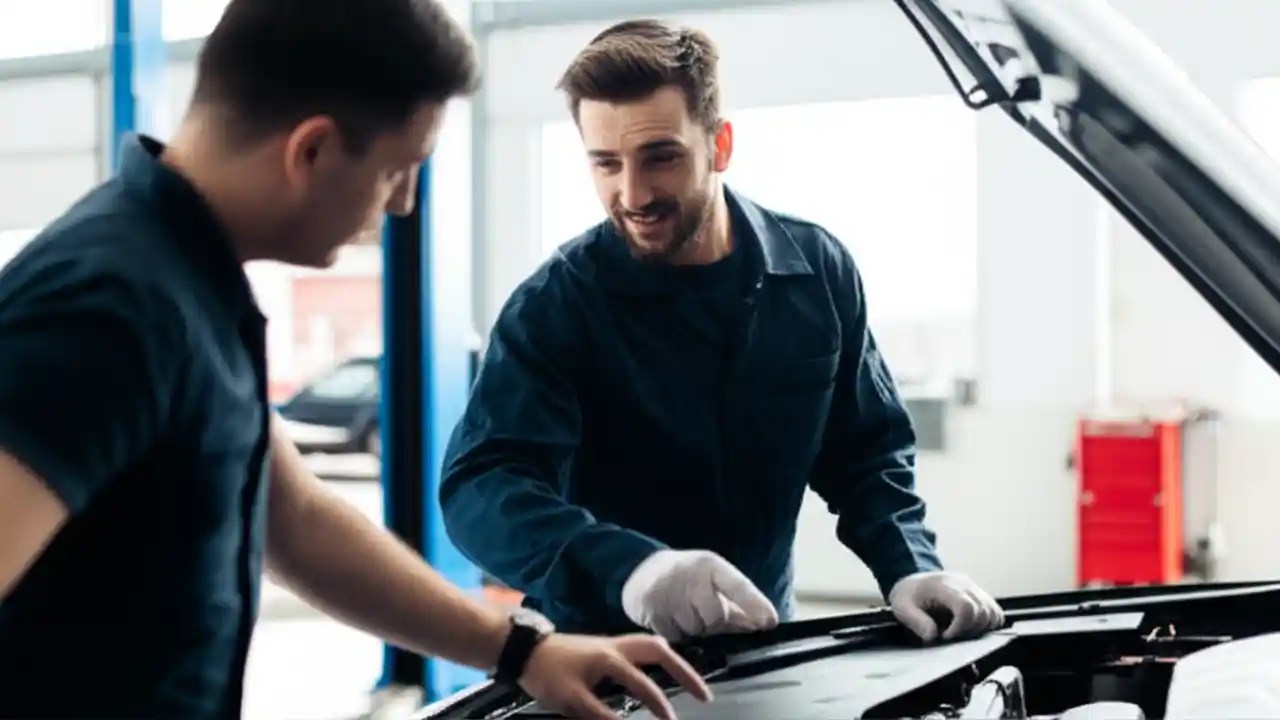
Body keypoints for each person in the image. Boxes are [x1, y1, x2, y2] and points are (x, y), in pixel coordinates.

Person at [0, 3, 715, 719]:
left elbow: (298, 520)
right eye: (398, 171)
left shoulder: (191, 281)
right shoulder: (107, 306)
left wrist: (522, 651)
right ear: (311, 151)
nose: (402, 203)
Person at [440, 18, 1006, 644]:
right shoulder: (553, 310)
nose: (632, 193)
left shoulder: (818, 274)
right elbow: (482, 489)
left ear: (721, 146)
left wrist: (910, 567)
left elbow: (865, 452)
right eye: (606, 163)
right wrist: (633, 567)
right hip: (600, 659)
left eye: (661, 158)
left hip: (763, 648)